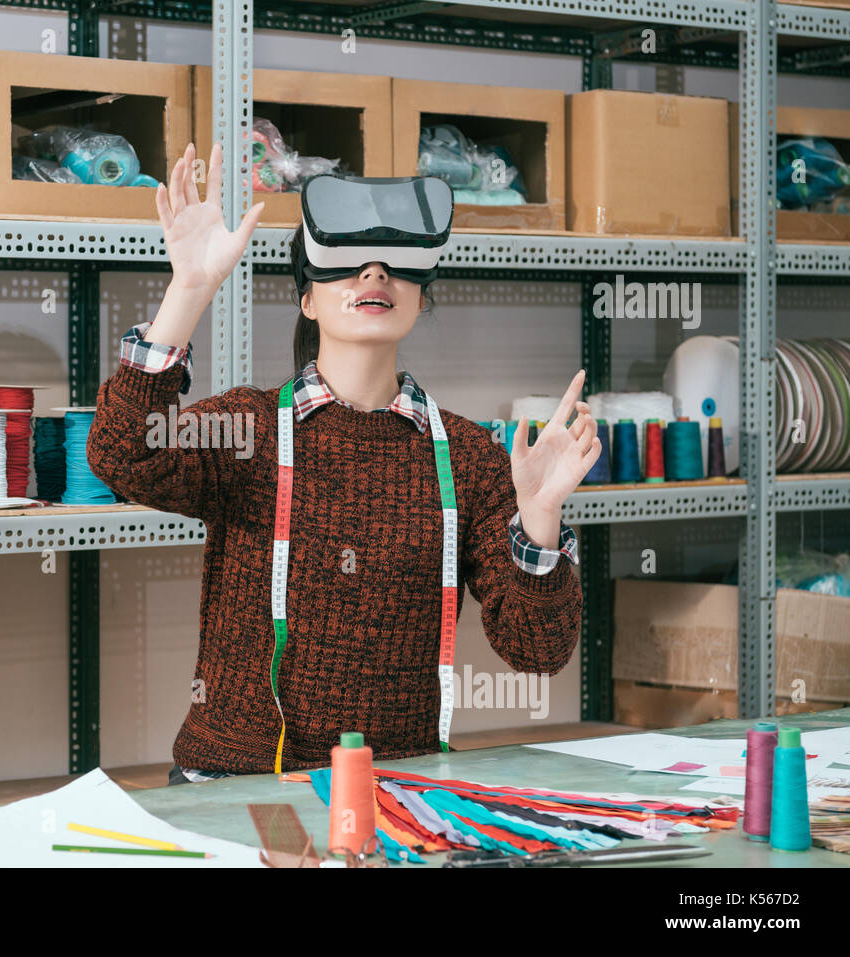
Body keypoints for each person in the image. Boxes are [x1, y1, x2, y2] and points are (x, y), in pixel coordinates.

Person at [86, 142, 599, 786]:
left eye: (395, 266)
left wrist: (541, 520)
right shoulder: (249, 431)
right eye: (348, 264)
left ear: (421, 297)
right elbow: (123, 453)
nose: (374, 275)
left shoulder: (469, 459)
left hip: (400, 791)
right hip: (240, 788)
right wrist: (188, 290)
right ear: (307, 300)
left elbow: (538, 651)